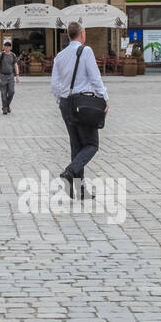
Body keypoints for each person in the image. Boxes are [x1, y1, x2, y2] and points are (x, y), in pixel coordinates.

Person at [52, 21, 109, 200]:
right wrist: (104, 97)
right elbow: (95, 76)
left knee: (76, 145)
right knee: (91, 144)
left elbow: (54, 84)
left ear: (69, 35)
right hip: (83, 102)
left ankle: (79, 190)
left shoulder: (60, 56)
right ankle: (70, 172)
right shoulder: (86, 51)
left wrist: (61, 100)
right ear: (82, 34)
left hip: (65, 103)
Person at [0, 38, 20, 114]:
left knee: (12, 92)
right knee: (3, 93)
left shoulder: (13, 55)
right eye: (6, 46)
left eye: (9, 46)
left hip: (10, 76)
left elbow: (15, 65)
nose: (7, 47)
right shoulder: (0, 55)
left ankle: (6, 105)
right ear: (3, 47)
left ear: (11, 47)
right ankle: (5, 108)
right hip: (2, 76)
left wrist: (17, 75)